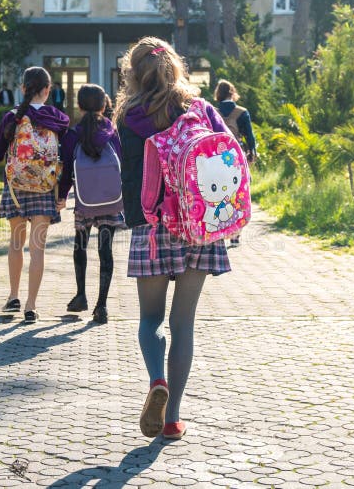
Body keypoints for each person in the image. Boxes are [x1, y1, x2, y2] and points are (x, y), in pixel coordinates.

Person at [115, 37, 231, 440]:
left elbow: (129, 176)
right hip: (200, 227)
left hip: (152, 228)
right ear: (175, 67)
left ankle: (156, 381)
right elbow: (225, 158)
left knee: (151, 320)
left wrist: (133, 219)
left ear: (133, 73)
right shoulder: (203, 109)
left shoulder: (129, 115)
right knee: (185, 325)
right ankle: (173, 418)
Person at [0, 66, 70, 324]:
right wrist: (64, 193)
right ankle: (31, 305)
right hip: (45, 189)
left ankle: (13, 295)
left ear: (23, 89)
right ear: (48, 90)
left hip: (15, 188)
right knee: (38, 250)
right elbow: (66, 159)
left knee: (15, 244)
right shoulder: (59, 119)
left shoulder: (13, 117)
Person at [58, 84, 125, 325]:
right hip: (110, 200)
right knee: (105, 251)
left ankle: (81, 295)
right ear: (104, 105)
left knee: (80, 246)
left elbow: (66, 170)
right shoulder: (112, 132)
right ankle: (102, 306)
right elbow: (122, 164)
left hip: (85, 202)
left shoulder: (72, 135)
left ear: (79, 105)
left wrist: (62, 196)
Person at [214, 79, 256, 247]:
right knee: (238, 192)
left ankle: (218, 229)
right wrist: (252, 151)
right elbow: (249, 136)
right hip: (235, 156)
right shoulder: (242, 112)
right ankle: (235, 234)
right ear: (232, 92)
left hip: (216, 157)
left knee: (218, 193)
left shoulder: (213, 111)